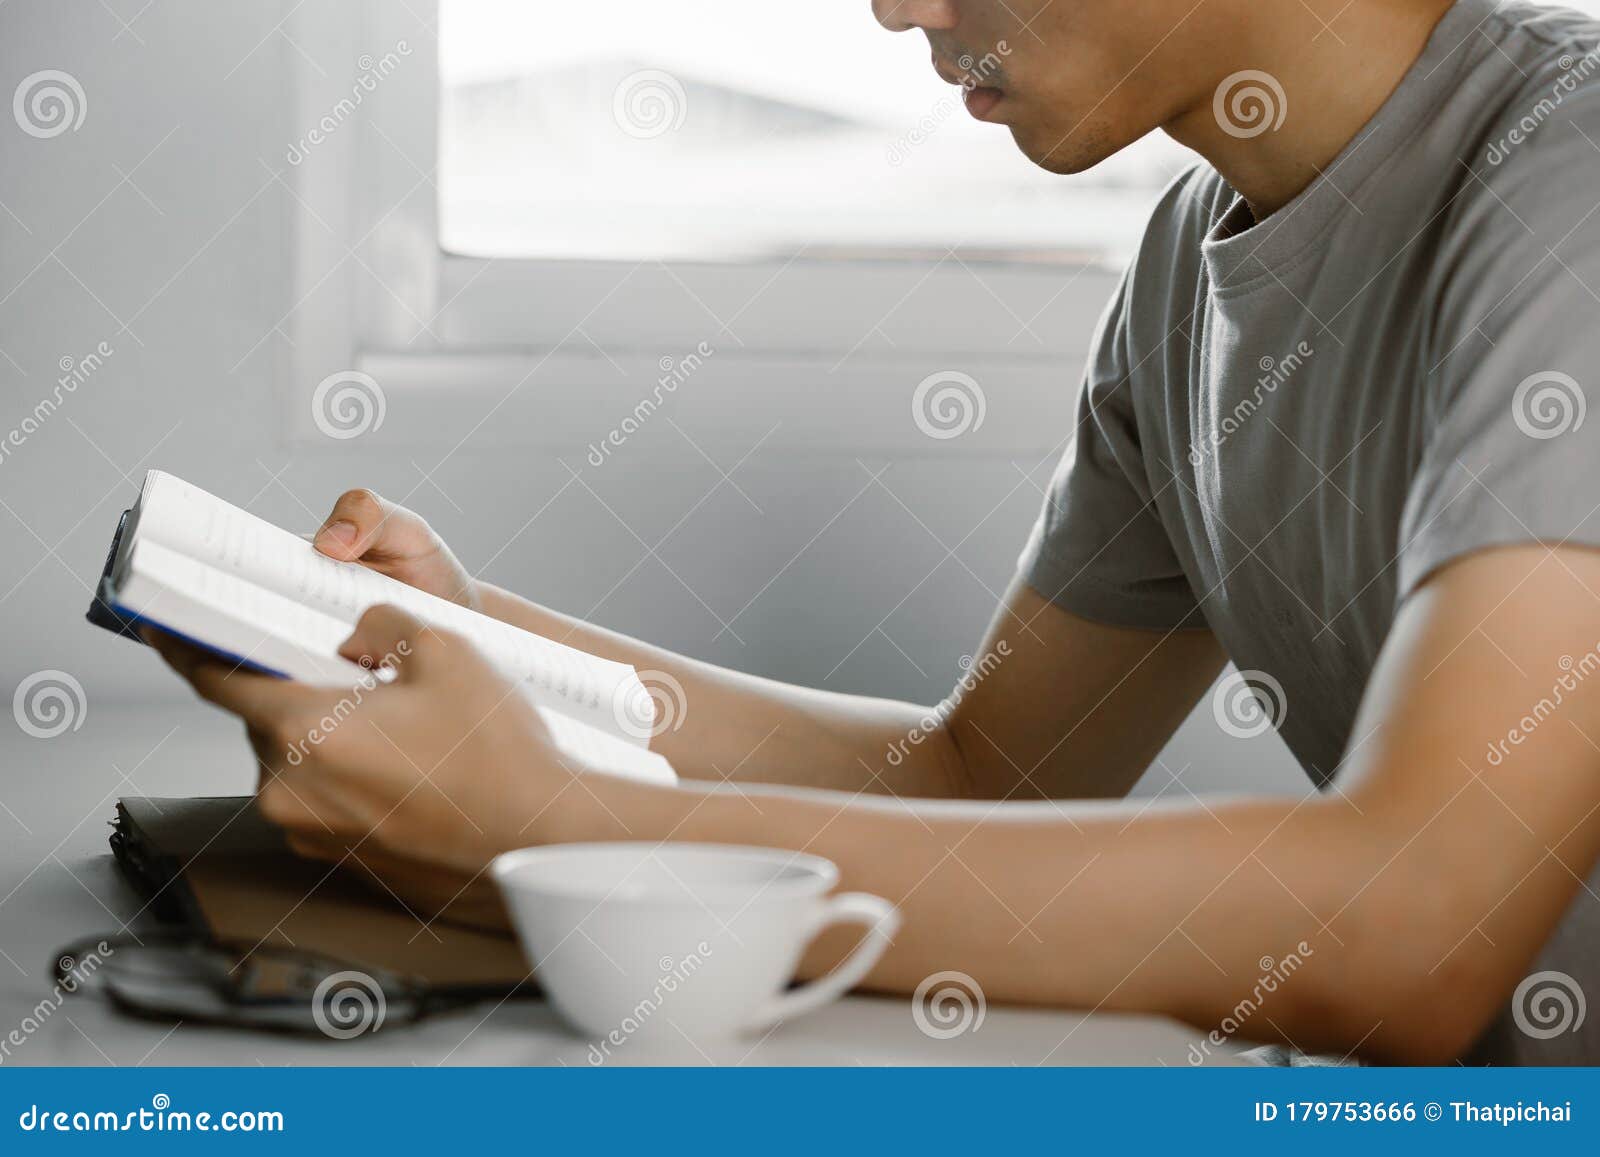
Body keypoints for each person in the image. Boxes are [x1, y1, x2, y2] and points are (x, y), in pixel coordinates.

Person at [152, 0, 1600, 1064]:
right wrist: (494, 655)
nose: (897, 6)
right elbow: (984, 774)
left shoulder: (1569, 172)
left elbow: (1418, 924)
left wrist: (570, 829)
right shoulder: (1182, 269)